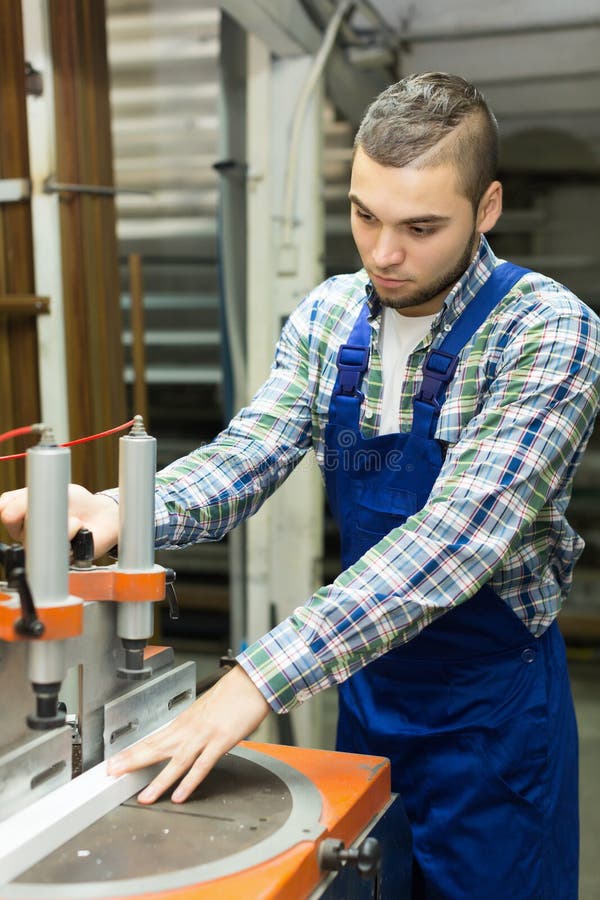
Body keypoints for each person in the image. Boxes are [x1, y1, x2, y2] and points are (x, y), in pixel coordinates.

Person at [2, 73, 599, 899]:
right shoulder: (328, 318)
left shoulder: (547, 330)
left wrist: (253, 680)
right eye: (364, 215)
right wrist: (118, 509)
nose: (383, 254)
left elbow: (457, 539)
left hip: (493, 724)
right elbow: (249, 453)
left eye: (421, 227)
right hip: (369, 694)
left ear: (487, 207)